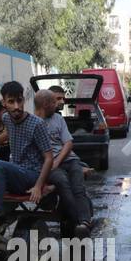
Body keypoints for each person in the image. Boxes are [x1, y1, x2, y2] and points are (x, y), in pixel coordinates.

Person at [0, 81, 54, 234]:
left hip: (31, 175)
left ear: (24, 100)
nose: (16, 106)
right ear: (4, 103)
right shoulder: (7, 118)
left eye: (19, 100)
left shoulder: (37, 124)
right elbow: (8, 134)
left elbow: (49, 157)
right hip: (14, 173)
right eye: (11, 101)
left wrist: (39, 186)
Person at [38, 87, 94, 237]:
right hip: (52, 165)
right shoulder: (33, 121)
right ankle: (78, 223)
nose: (61, 102)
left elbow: (68, 144)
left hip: (69, 160)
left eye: (63, 99)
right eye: (57, 99)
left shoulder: (58, 119)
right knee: (65, 186)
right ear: (46, 102)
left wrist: (56, 162)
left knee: (78, 188)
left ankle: (84, 223)